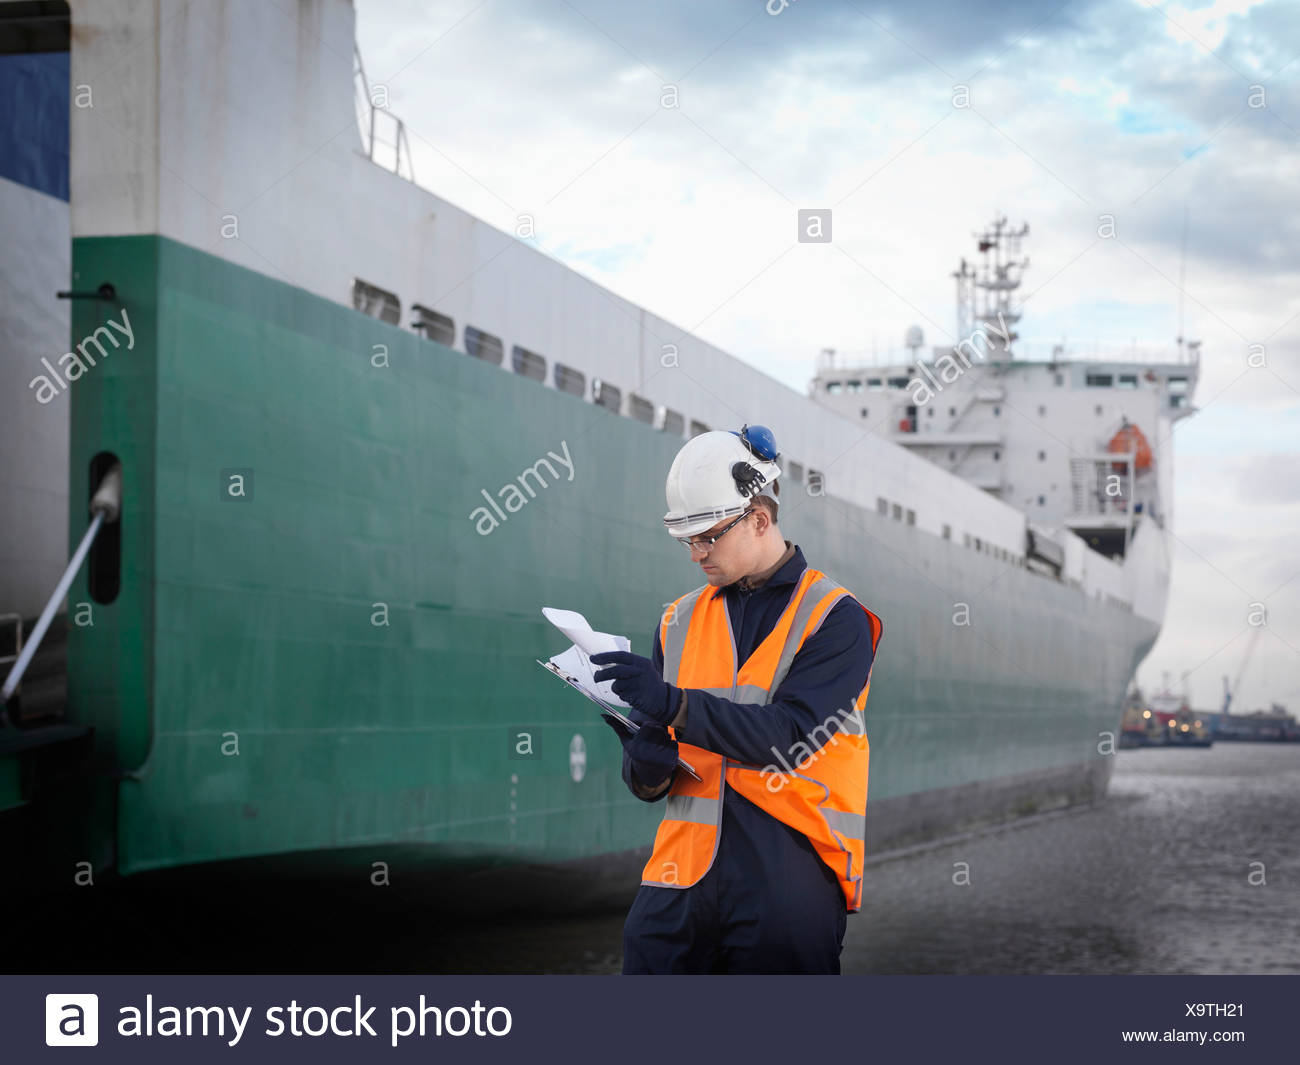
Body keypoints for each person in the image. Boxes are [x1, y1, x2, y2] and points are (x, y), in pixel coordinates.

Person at [591, 424, 883, 974]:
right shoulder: (676, 620)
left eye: (707, 536)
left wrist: (672, 704)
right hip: (678, 879)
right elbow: (654, 782)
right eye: (687, 540)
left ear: (759, 519)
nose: (696, 553)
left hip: (787, 876)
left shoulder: (837, 618)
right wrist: (645, 763)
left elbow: (788, 738)